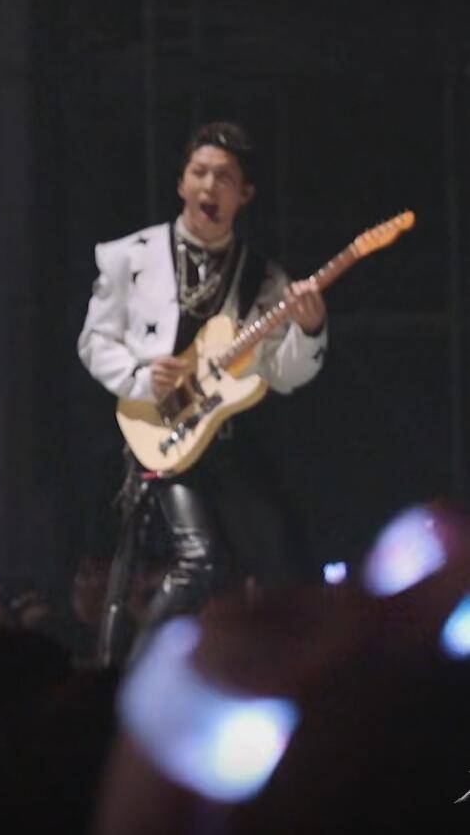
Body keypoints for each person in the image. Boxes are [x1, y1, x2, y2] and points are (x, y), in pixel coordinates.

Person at [77, 121, 328, 664]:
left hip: (225, 442)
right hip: (156, 439)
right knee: (196, 560)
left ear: (245, 194)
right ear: (182, 183)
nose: (209, 187)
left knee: (278, 567)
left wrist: (309, 330)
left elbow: (284, 375)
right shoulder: (131, 257)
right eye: (199, 173)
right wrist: (142, 377)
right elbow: (94, 341)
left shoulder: (262, 278)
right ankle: (132, 671)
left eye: (224, 178)